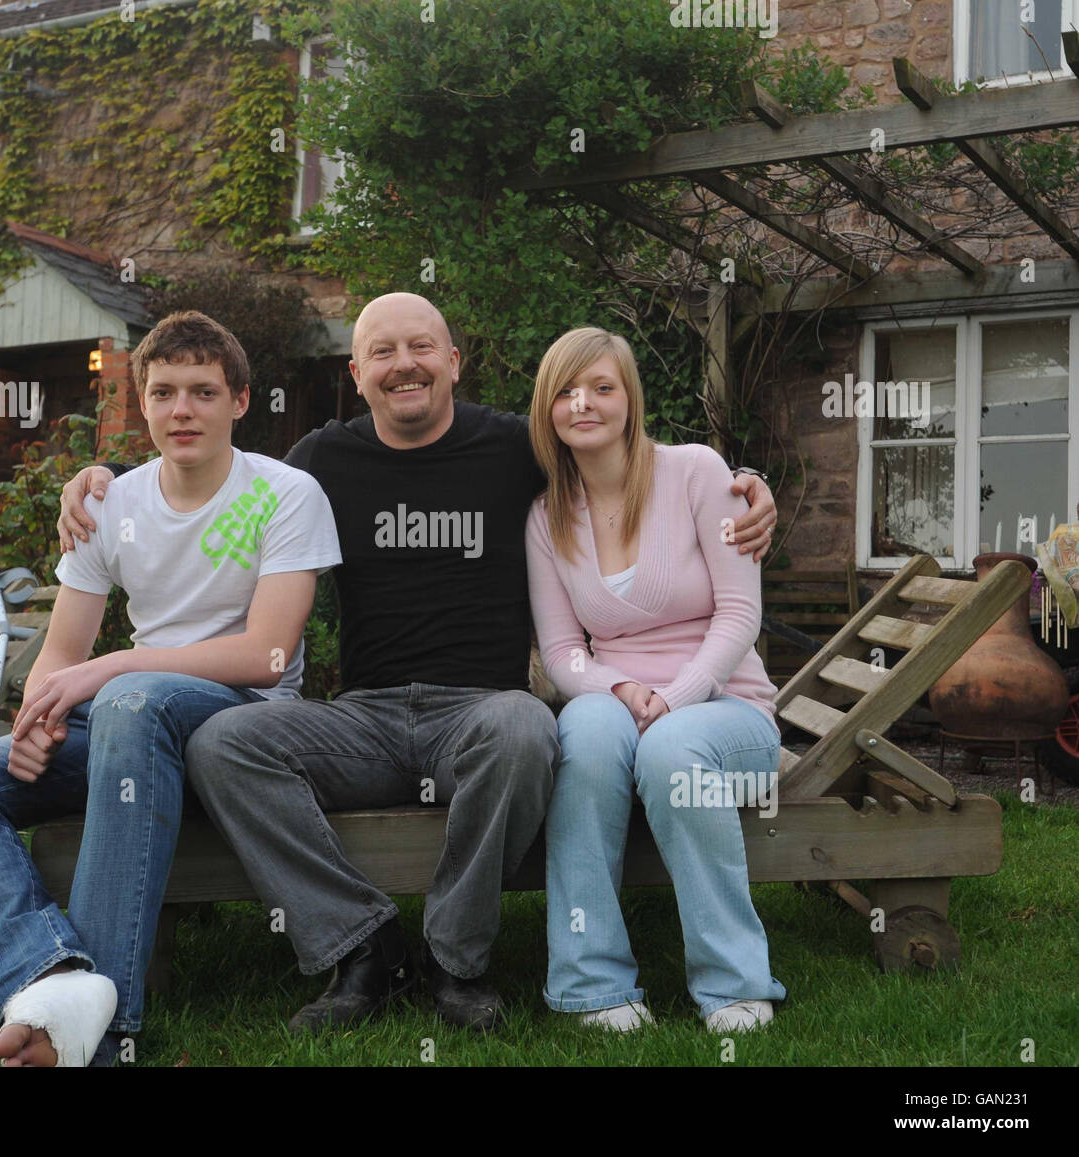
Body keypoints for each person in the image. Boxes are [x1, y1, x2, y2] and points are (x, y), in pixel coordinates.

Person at [56, 292, 779, 1034]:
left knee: (527, 729)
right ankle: (364, 946)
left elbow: (618, 455)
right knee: (223, 744)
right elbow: (219, 468)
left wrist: (745, 484)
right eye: (383, 351)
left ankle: (455, 960)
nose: (404, 364)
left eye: (422, 347)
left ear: (453, 363)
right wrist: (104, 476)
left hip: (481, 711)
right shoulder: (323, 461)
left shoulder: (515, 448)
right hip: (362, 718)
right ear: (357, 374)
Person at [0, 311, 340, 1066]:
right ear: (142, 403)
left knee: (132, 702)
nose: (182, 410)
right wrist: (39, 717)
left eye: (203, 392)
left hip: (241, 727)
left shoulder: (287, 492)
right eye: (163, 393)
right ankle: (46, 980)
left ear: (240, 401)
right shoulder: (108, 504)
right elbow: (61, 650)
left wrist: (109, 671)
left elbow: (266, 656)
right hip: (127, 726)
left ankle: (96, 1041)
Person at [525, 326, 784, 1035]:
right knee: (583, 733)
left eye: (602, 387)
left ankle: (734, 982)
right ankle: (592, 984)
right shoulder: (547, 518)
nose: (584, 403)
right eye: (566, 392)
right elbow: (562, 651)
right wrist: (618, 690)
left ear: (630, 399)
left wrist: (674, 699)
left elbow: (740, 613)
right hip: (617, 702)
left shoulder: (698, 473)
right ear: (548, 409)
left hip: (728, 708)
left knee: (674, 749)